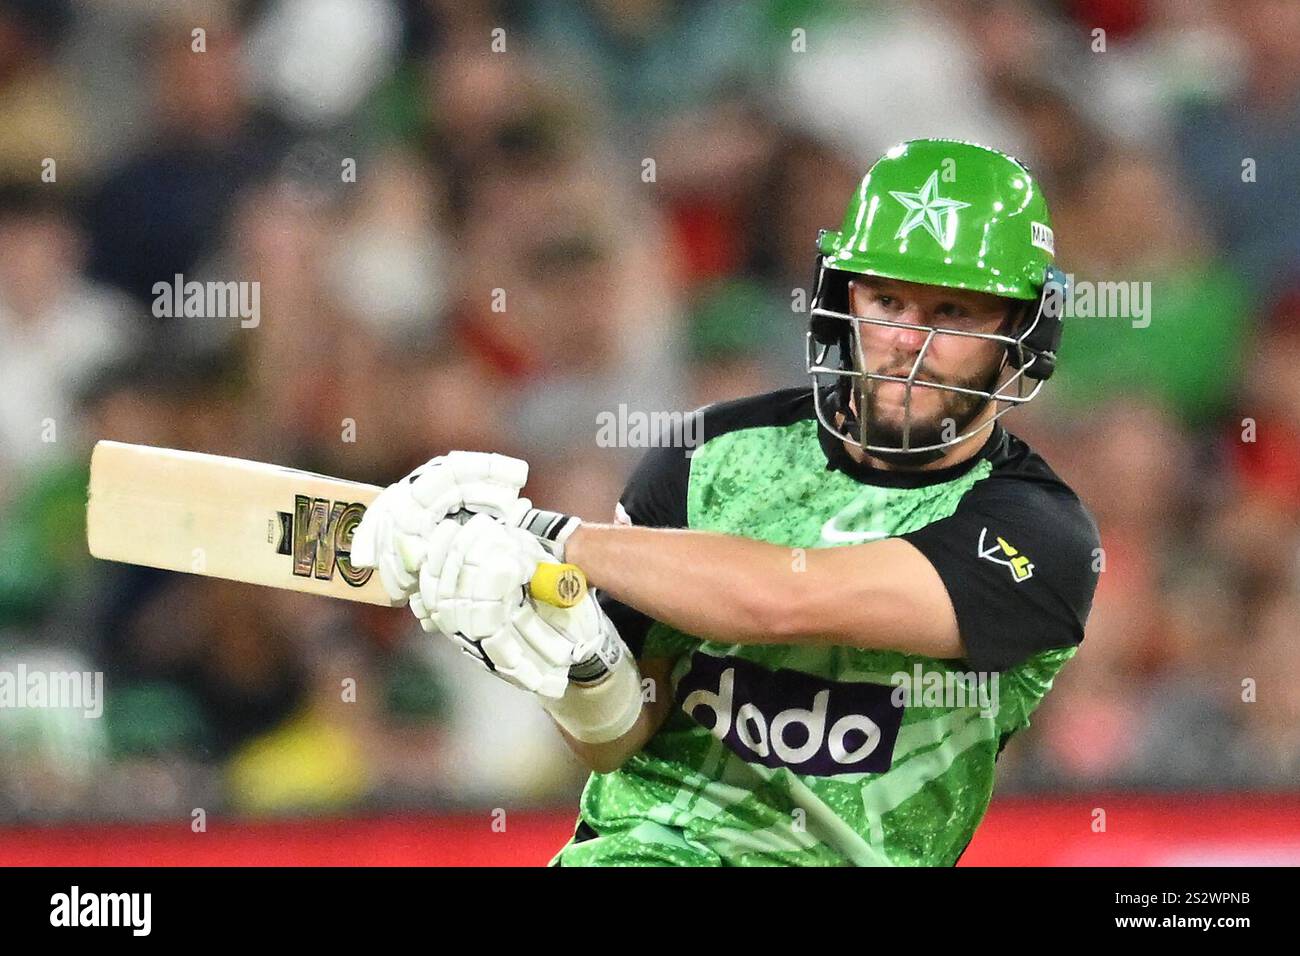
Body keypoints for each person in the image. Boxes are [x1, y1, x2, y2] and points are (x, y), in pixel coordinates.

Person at [352, 138, 1101, 866]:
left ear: (1023, 332)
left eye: (954, 314)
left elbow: (785, 597)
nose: (908, 340)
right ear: (843, 298)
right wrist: (573, 661)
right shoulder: (708, 456)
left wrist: (544, 535)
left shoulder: (1037, 534)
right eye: (888, 300)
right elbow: (615, 738)